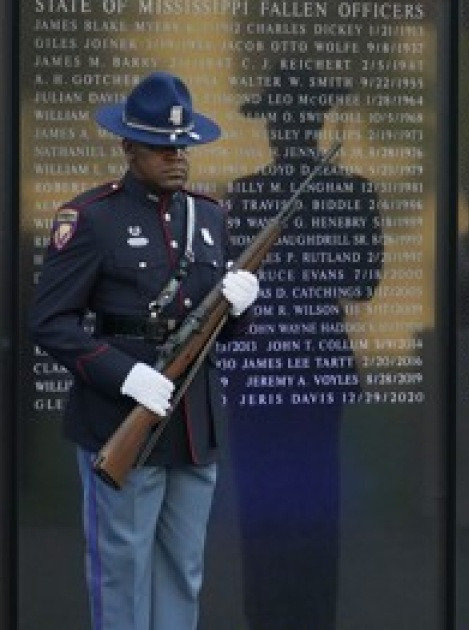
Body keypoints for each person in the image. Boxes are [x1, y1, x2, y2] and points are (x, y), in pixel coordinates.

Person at [29, 71, 259, 630]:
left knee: (183, 568)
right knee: (122, 567)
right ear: (129, 148)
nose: (177, 158)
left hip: (190, 424)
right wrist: (123, 374)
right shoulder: (91, 219)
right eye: (161, 147)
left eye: (183, 146)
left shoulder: (209, 217)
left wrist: (240, 308)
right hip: (121, 417)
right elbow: (50, 321)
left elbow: (216, 335)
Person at [223, 63, 381, 630]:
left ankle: (302, 615)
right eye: (282, 118)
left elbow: (363, 282)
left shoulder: (349, 194)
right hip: (267, 367)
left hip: (306, 368)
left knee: (310, 506)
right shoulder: (248, 195)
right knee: (271, 508)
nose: (286, 127)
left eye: (292, 117)